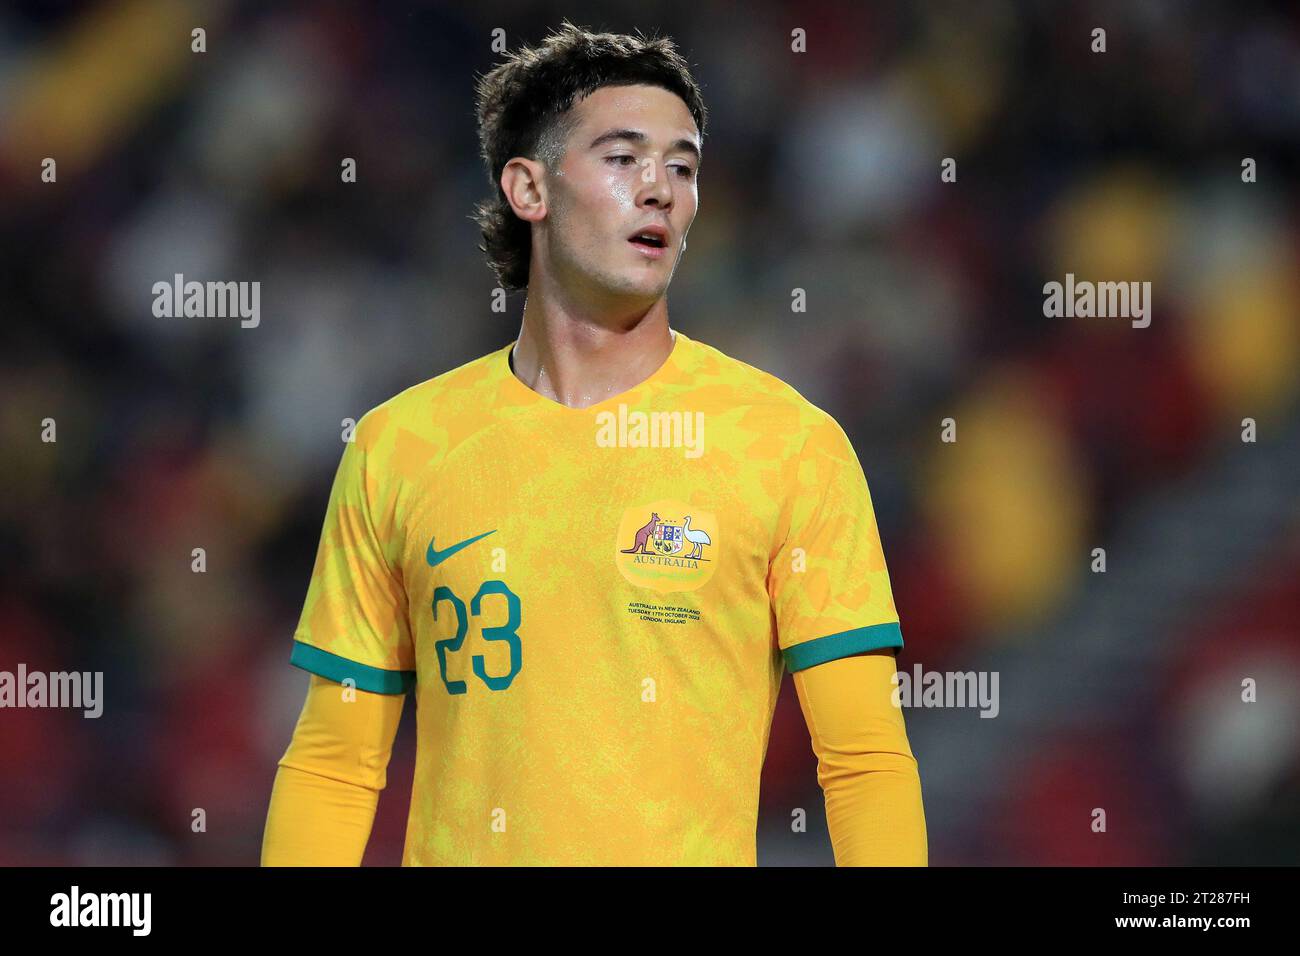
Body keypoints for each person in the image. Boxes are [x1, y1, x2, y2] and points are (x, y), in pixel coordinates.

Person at [261, 20, 926, 866]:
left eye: (682, 167)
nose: (660, 190)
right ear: (528, 189)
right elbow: (335, 763)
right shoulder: (401, 447)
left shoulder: (788, 446)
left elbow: (864, 762)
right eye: (623, 158)